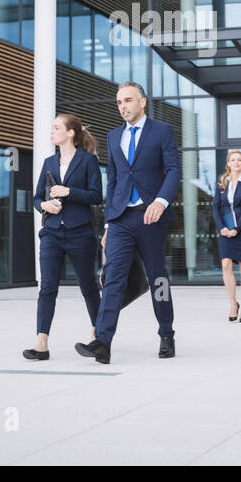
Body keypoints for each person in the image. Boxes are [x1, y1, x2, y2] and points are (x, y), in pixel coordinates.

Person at [75, 81, 180, 364]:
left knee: (158, 276)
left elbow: (173, 170)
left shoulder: (161, 131)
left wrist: (161, 201)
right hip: (121, 218)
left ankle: (166, 333)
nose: (123, 106)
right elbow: (114, 180)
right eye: (119, 102)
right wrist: (108, 224)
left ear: (142, 102)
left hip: (151, 216)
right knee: (113, 279)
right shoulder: (112, 137)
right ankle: (103, 342)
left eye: (128, 100)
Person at [24, 114, 102, 361]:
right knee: (47, 287)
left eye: (57, 127)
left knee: (88, 286)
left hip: (81, 233)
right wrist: (45, 205)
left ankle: (98, 335)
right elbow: (36, 198)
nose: (52, 131)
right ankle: (41, 343)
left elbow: (96, 196)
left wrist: (70, 191)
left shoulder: (88, 161)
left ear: (70, 133)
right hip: (52, 233)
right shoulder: (48, 162)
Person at [213, 150, 241, 323]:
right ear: (228, 163)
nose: (236, 162)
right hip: (225, 229)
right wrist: (221, 227)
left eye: (239, 160)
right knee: (225, 265)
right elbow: (215, 207)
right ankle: (233, 304)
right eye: (233, 160)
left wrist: (237, 228)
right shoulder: (221, 182)